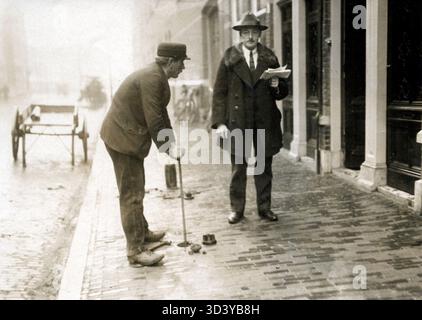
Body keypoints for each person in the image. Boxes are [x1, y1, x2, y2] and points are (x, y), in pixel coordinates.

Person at [100, 43, 188, 266]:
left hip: (127, 136)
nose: (183, 67)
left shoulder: (157, 76)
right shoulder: (152, 78)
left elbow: (161, 113)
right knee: (131, 193)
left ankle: (143, 232)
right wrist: (168, 150)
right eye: (181, 62)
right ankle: (135, 250)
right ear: (170, 62)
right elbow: (154, 119)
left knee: (136, 188)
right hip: (122, 139)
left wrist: (172, 145)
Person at [211, 13, 289, 224]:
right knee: (239, 167)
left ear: (259, 34)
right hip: (238, 119)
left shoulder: (269, 57)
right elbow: (219, 92)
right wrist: (219, 123)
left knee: (264, 166)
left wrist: (276, 85)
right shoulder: (229, 58)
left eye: (254, 32)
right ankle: (237, 209)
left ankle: (264, 208)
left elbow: (282, 92)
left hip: (264, 119)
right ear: (240, 35)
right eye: (246, 33)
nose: (250, 37)